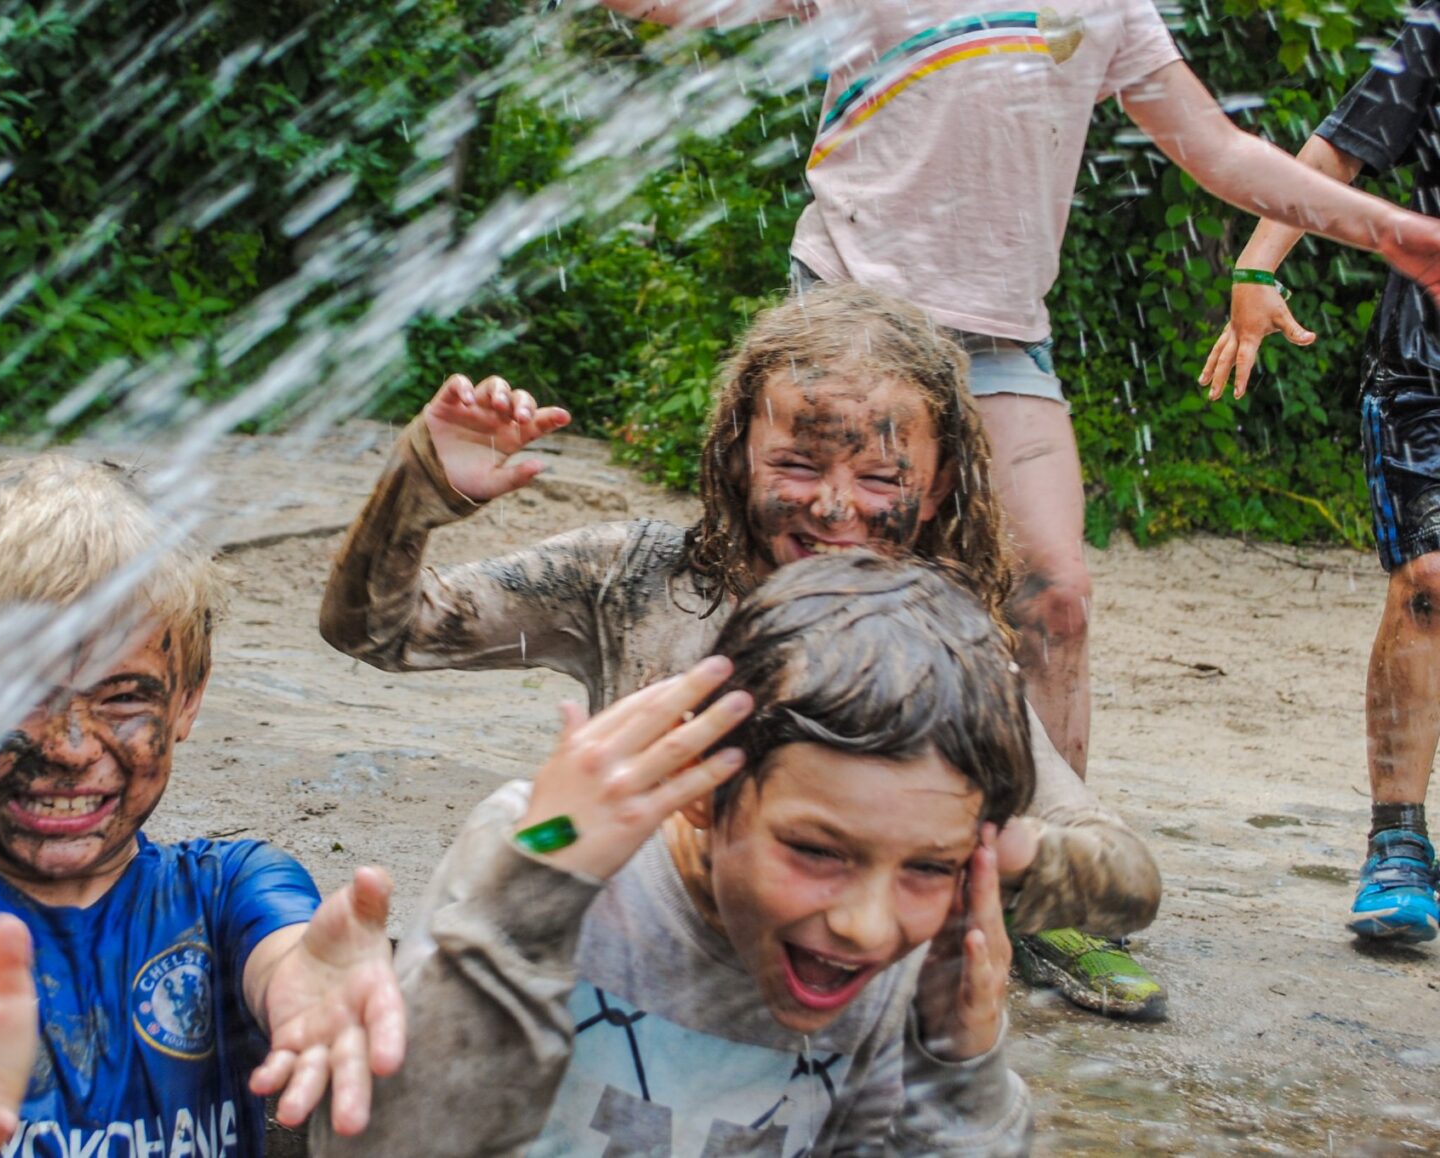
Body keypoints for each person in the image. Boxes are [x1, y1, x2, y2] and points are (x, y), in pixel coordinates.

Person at [595, 0, 1440, 1006]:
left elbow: (1212, 147)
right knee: (828, 586)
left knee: (1054, 600)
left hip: (1001, 341)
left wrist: (1384, 228)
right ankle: (756, 864)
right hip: (852, 309)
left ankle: (1044, 900)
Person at [321, 283, 1164, 1016]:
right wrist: (420, 486)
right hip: (616, 991)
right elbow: (376, 630)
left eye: (878, 480)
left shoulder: (946, 652)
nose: (835, 510)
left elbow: (1126, 874)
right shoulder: (632, 582)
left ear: (938, 485)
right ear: (737, 456)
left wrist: (973, 858)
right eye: (796, 465)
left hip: (836, 1030)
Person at [317, 553, 1036, 1156]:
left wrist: (961, 1063)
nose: (867, 926)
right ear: (703, 787)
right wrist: (532, 891)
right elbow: (379, 1140)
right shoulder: (543, 840)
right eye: (817, 851)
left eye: (929, 867)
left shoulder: (895, 971)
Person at [0, 456, 405, 1157]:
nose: (70, 747)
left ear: (188, 697)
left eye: (121, 697)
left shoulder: (228, 892)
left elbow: (285, 954)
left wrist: (305, 988)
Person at [1197, 7, 1440, 942]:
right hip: (1428, 362)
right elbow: (1334, 154)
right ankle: (1400, 842)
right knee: (1427, 583)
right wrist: (1256, 267)